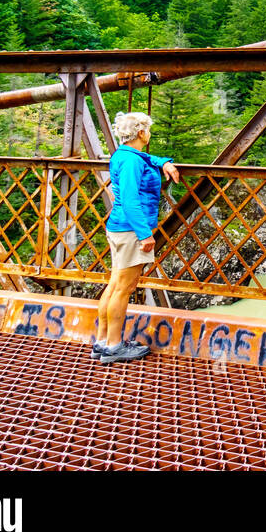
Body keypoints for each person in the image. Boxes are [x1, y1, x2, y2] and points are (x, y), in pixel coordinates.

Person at [93, 111, 180, 364]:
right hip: (131, 230)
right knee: (124, 288)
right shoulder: (131, 161)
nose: (149, 134)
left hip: (119, 228)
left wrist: (163, 162)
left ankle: (102, 341)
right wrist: (145, 235)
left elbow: (146, 158)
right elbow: (131, 201)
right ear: (141, 133)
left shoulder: (125, 154)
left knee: (114, 285)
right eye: (148, 130)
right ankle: (114, 347)